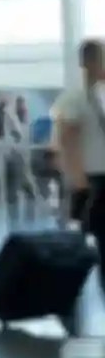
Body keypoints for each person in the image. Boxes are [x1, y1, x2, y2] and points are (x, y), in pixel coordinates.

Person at [54, 39, 105, 277]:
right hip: (90, 180)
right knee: (82, 241)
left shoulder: (101, 97)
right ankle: (67, 294)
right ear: (89, 63)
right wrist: (79, 182)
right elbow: (67, 141)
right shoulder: (75, 98)